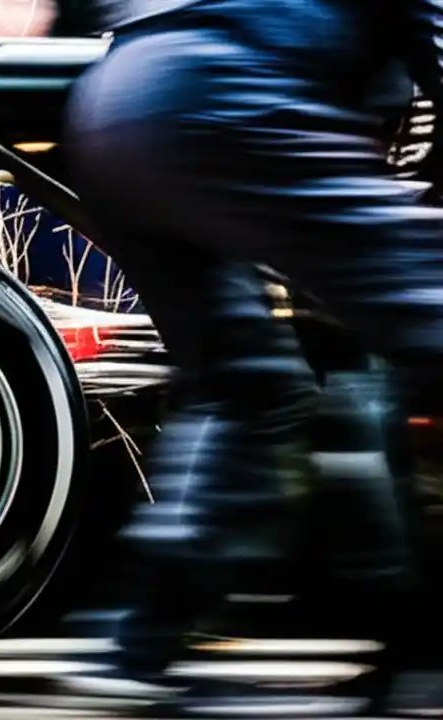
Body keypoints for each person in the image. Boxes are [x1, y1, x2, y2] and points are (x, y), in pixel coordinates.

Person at [55, 0, 443, 714]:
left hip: (114, 103)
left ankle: (135, 648)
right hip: (231, 92)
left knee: (244, 382)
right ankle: (421, 652)